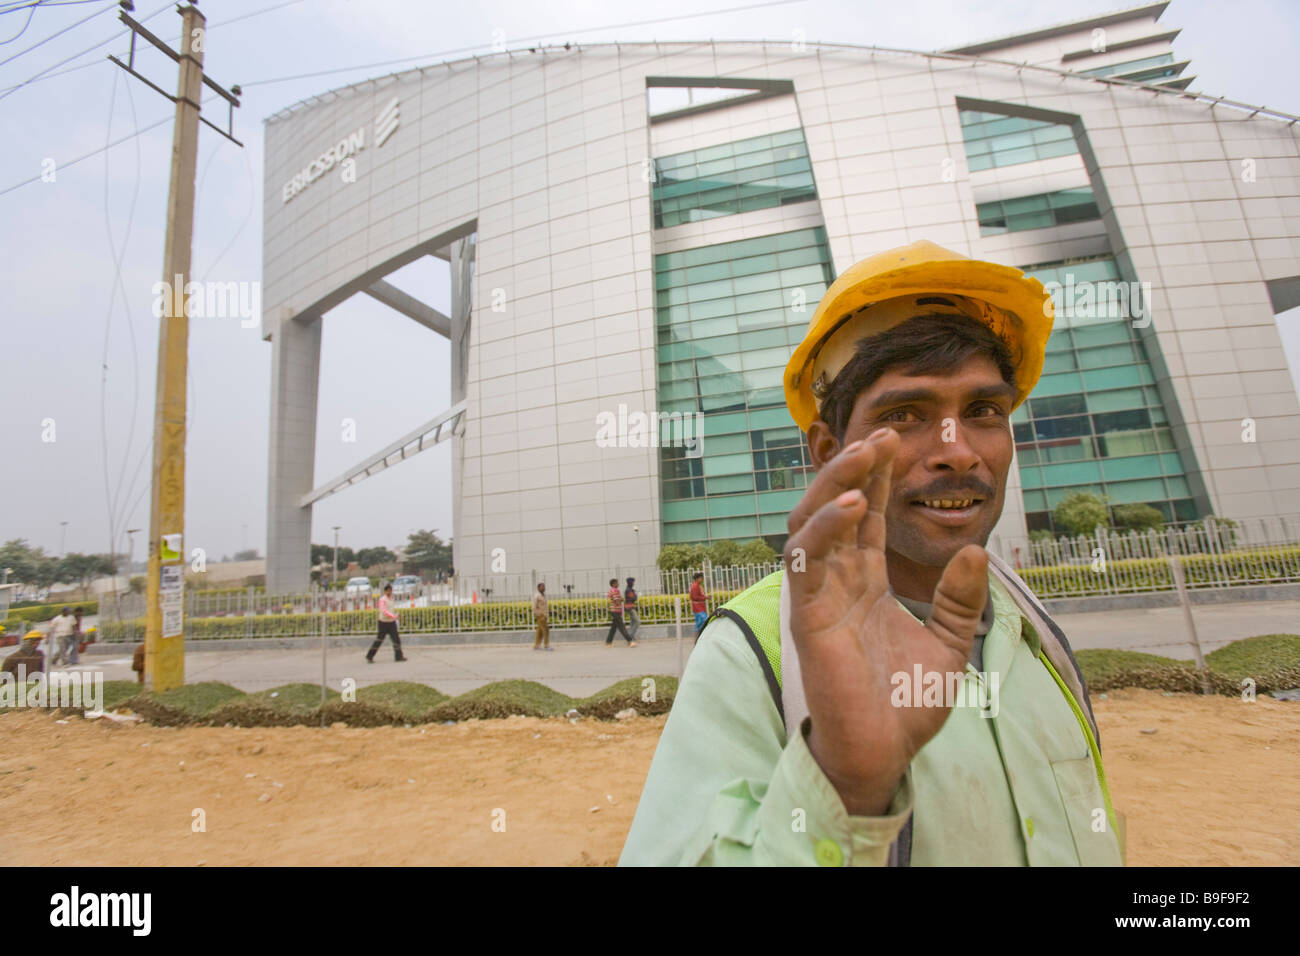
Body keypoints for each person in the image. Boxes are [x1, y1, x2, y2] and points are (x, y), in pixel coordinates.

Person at [621, 240, 1121, 866]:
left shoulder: (1031, 626)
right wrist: (845, 786)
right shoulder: (750, 654)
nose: (958, 450)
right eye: (906, 413)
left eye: (984, 410)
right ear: (828, 450)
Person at [366, 584, 408, 663]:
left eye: (390, 590)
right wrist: (394, 616)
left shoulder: (391, 599)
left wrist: (394, 617)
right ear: (385, 591)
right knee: (379, 640)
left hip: (391, 622)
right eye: (388, 590)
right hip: (383, 622)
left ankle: (398, 656)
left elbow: (391, 610)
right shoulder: (382, 600)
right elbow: (384, 611)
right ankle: (369, 656)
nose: (389, 592)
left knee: (396, 639)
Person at [604, 578, 636, 648]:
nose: (618, 584)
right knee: (622, 627)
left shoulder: (613, 591)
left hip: (615, 611)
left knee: (613, 628)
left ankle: (608, 642)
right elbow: (617, 601)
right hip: (615, 611)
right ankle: (630, 641)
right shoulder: (614, 591)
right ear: (613, 584)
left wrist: (620, 599)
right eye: (617, 583)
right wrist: (621, 599)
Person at [688, 573, 708, 637]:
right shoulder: (695, 586)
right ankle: (698, 637)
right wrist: (705, 597)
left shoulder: (697, 585)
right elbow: (694, 597)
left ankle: (698, 638)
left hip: (699, 607)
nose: (701, 579)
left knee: (699, 623)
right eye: (700, 578)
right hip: (698, 608)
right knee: (704, 619)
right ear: (697, 579)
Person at [533, 583, 552, 651]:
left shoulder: (544, 596)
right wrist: (538, 614)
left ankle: (536, 645)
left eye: (544, 586)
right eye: (542, 587)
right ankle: (546, 645)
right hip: (541, 616)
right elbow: (534, 607)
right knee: (546, 630)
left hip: (544, 615)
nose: (543, 588)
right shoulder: (537, 596)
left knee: (540, 631)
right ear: (538, 588)